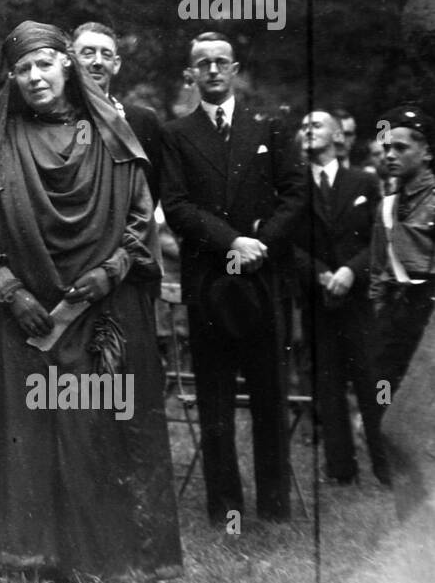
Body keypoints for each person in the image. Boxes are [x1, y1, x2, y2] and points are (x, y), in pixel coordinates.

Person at [0, 21, 181, 583]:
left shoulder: (111, 133)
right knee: (35, 430)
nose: (36, 77)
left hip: (101, 310)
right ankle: (43, 554)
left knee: (103, 430)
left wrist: (110, 273)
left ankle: (121, 560)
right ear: (12, 78)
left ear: (67, 66)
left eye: (45, 64)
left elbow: (140, 218)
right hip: (28, 315)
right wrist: (10, 289)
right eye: (24, 69)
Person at [160, 32, 306, 525]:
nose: (214, 71)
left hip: (264, 279)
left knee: (270, 394)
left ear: (236, 68)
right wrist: (231, 242)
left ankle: (274, 505)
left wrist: (262, 242)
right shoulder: (176, 134)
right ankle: (226, 507)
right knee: (215, 398)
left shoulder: (270, 127)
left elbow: (296, 194)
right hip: (210, 281)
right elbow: (177, 206)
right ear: (191, 73)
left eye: (222, 62)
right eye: (203, 64)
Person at [291, 111, 384, 485]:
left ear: (336, 136)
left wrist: (350, 271)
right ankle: (341, 469)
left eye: (315, 125)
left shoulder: (363, 181)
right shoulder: (294, 188)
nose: (307, 131)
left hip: (358, 300)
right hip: (318, 301)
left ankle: (385, 465)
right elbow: (289, 244)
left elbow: (380, 236)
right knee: (326, 384)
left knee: (370, 380)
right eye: (303, 127)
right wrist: (320, 275)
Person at [368, 106, 435, 486]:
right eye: (386, 148)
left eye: (400, 147)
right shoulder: (387, 205)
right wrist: (381, 312)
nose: (390, 155)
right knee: (384, 396)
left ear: (425, 152)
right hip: (396, 315)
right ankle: (404, 482)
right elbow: (379, 268)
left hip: (431, 312)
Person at [72, 21, 165, 201]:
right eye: (88, 53)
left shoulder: (143, 121)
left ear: (116, 64)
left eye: (106, 55)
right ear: (71, 60)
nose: (97, 62)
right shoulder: (54, 116)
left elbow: (149, 191)